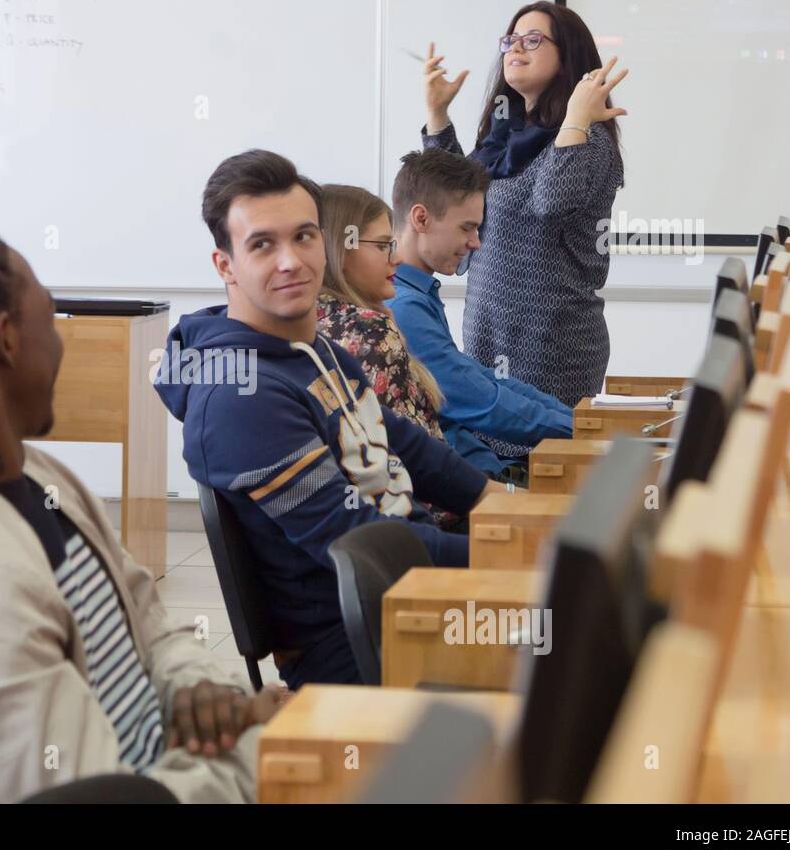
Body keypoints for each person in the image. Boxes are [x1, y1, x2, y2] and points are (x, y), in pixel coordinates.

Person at [0, 216, 281, 803]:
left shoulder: (28, 475)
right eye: (49, 319)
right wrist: (266, 748)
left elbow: (145, 617)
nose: (60, 344)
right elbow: (94, 796)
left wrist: (195, 691)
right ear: (6, 339)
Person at [156, 150, 497, 690]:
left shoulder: (310, 348)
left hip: (408, 600)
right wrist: (515, 552)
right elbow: (362, 546)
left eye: (304, 237)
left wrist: (499, 504)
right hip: (363, 641)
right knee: (589, 649)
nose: (291, 260)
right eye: (262, 245)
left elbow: (405, 444)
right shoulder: (241, 400)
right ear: (226, 266)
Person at [421, 1, 627, 451]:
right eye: (511, 40)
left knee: (542, 477)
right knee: (489, 469)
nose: (516, 48)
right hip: (487, 334)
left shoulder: (588, 138)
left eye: (533, 39)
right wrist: (438, 116)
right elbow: (457, 200)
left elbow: (549, 202)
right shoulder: (505, 135)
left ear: (567, 55)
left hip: (551, 346)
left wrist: (575, 118)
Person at [315, 181, 515, 491]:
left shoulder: (322, 321)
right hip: (439, 511)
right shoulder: (371, 329)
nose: (394, 259)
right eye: (382, 246)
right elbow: (419, 460)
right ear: (339, 250)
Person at [388, 149, 573, 460]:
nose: (475, 242)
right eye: (467, 227)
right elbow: (482, 401)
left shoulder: (417, 294)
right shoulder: (404, 307)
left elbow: (481, 377)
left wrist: (578, 419)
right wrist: (577, 428)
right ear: (420, 218)